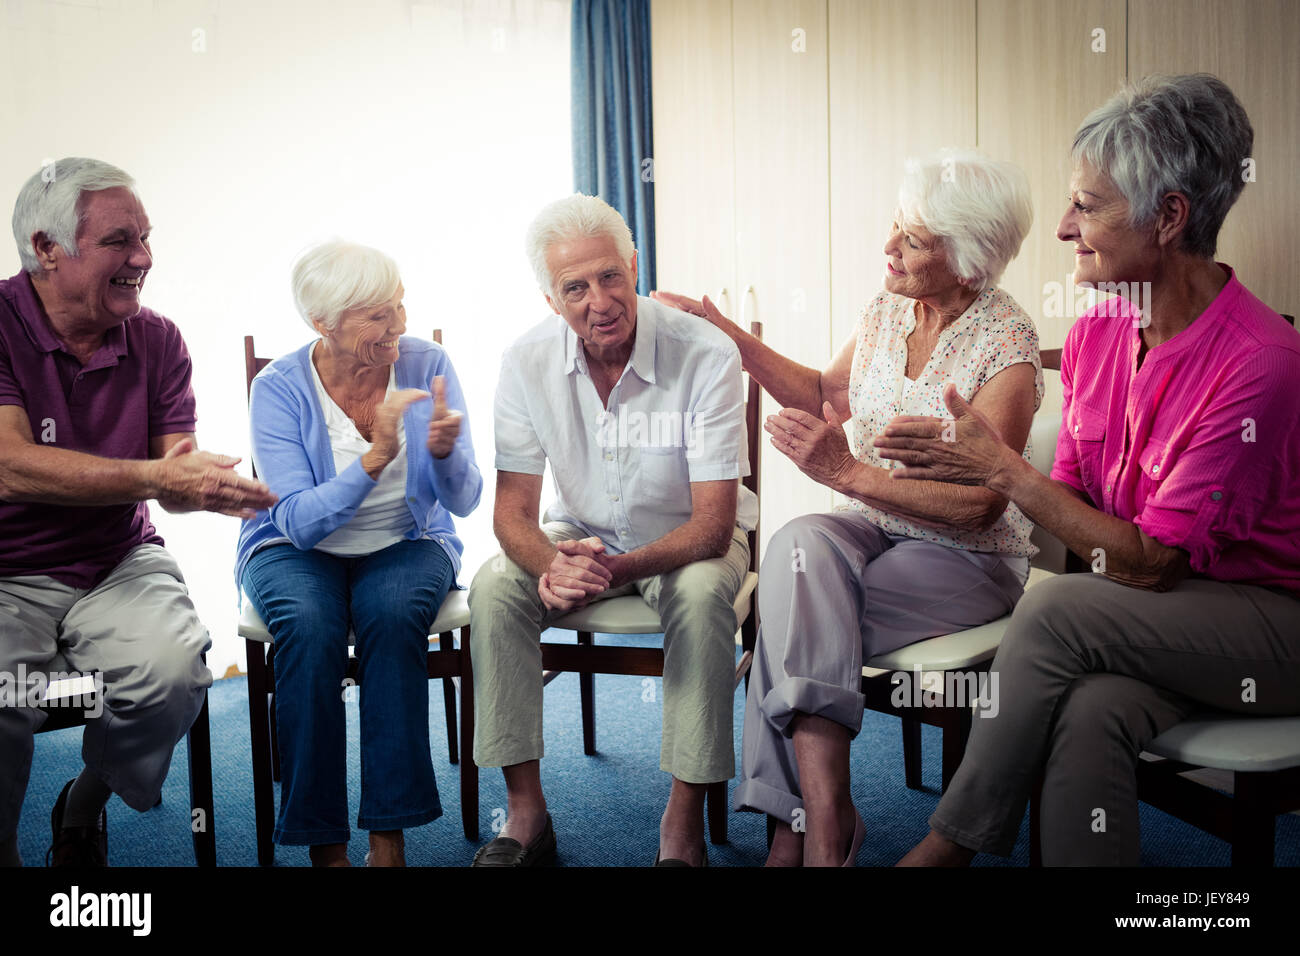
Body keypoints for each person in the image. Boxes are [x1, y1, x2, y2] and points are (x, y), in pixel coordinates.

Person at [881, 75, 1300, 867]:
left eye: (1089, 206)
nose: (1066, 226)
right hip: (1169, 615)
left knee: (1060, 611)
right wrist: (978, 472)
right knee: (1094, 708)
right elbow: (1073, 502)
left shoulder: (1262, 364)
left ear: (1170, 217)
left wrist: (1002, 472)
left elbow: (1151, 563)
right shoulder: (1100, 328)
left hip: (1271, 620)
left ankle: (943, 851)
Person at [658, 149, 1040, 866]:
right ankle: (826, 821)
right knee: (799, 543)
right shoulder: (888, 308)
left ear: (969, 263)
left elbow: (984, 506)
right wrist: (733, 338)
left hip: (970, 560)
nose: (888, 248)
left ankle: (803, 831)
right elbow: (827, 396)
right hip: (876, 533)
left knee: (793, 611)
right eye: (895, 227)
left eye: (913, 240)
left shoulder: (1008, 347)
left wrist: (849, 472)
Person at [0, 157, 277, 867]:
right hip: (7, 573)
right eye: (120, 241)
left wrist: (198, 485)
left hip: (116, 561)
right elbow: (11, 465)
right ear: (45, 247)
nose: (143, 259)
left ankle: (84, 804)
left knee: (175, 672)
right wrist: (158, 474)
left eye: (146, 238)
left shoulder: (156, 339)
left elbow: (172, 480)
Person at [468, 194, 757, 867]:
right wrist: (553, 564)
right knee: (493, 588)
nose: (599, 300)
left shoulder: (707, 354)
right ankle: (526, 816)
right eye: (575, 287)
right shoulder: (524, 361)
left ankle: (681, 829)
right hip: (581, 532)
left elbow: (714, 526)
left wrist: (607, 570)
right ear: (549, 299)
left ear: (634, 265)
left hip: (687, 538)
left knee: (699, 593)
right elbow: (512, 513)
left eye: (610, 277)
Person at [235, 240, 481, 867]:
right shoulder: (279, 388)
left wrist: (448, 454)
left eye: (399, 305)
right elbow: (296, 520)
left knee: (393, 616)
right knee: (311, 627)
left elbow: (465, 499)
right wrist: (375, 457)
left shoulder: (429, 364)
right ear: (324, 324)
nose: (399, 326)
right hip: (293, 550)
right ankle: (326, 847)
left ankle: (388, 843)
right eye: (377, 315)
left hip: (406, 538)